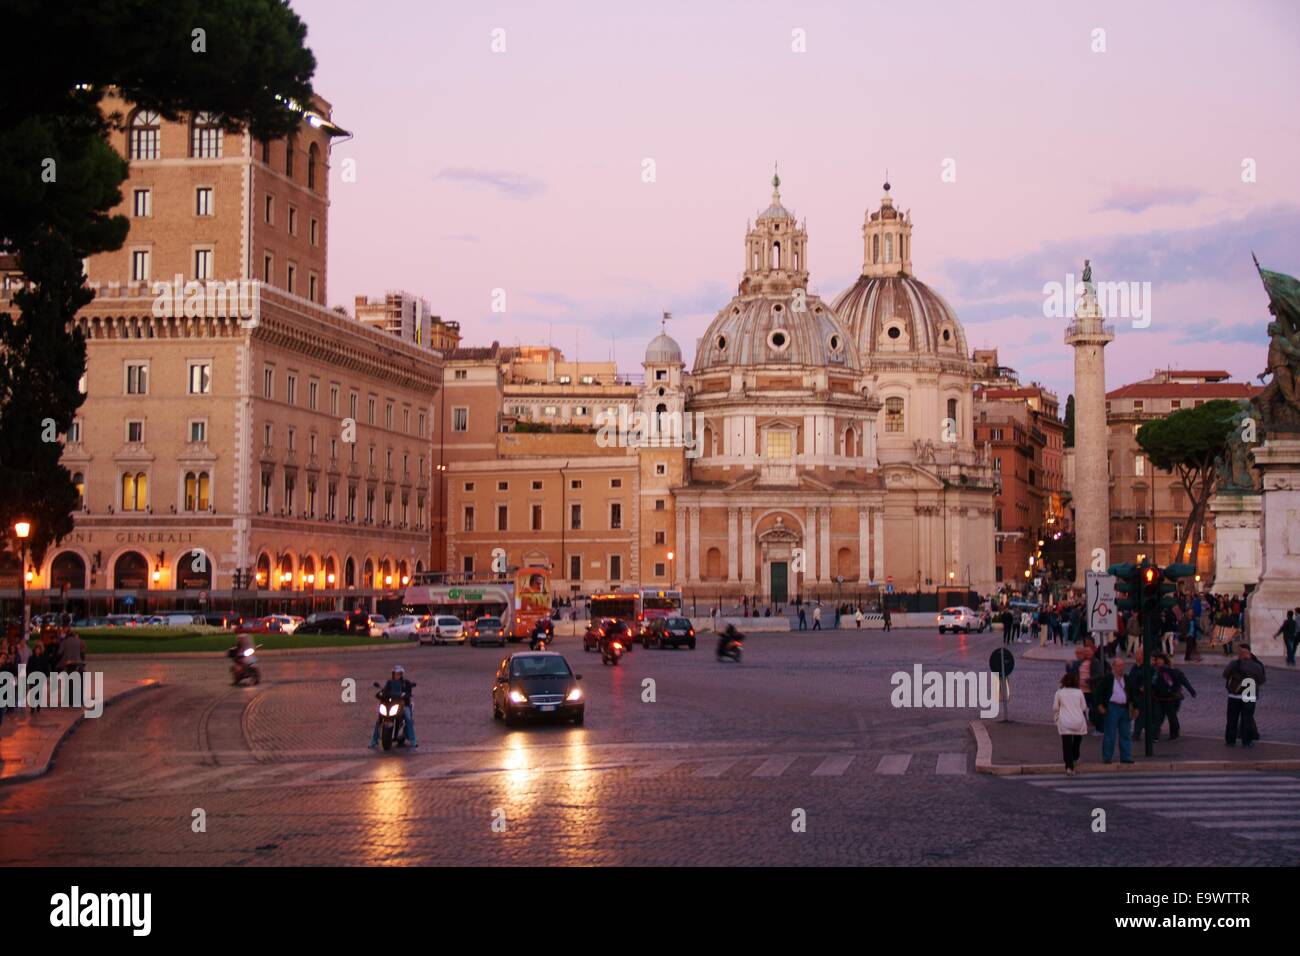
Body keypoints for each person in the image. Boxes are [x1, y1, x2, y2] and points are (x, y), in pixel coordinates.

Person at [1094, 658, 1142, 764]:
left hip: (1124, 708)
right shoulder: (1107, 679)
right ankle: (1107, 757)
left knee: (1126, 734)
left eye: (1122, 665)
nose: (1121, 668)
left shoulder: (1127, 679)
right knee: (1110, 734)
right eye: (1119, 666)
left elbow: (1134, 693)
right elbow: (1099, 692)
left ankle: (1126, 757)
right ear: (1114, 667)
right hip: (1112, 707)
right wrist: (1100, 705)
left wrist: (1136, 707)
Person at [1224, 643, 1266, 747]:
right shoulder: (1257, 666)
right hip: (1250, 695)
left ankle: (1230, 741)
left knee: (1232, 719)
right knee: (1247, 719)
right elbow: (1261, 680)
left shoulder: (1234, 664)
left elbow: (1225, 674)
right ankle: (1246, 741)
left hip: (1234, 695)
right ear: (1250, 654)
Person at [1151, 654, 1196, 741]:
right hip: (1159, 698)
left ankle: (1174, 734)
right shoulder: (1155, 671)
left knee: (1171, 716)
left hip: (1170, 698)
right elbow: (1152, 684)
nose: (1159, 662)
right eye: (1158, 660)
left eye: (1160, 660)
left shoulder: (1171, 671)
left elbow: (1183, 680)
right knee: (1158, 717)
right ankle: (1155, 736)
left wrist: (1191, 691)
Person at [370, 665, 417, 748]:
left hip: (404, 705)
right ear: (393, 674)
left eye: (399, 674)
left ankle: (413, 741)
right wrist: (380, 694)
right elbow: (384, 691)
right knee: (379, 721)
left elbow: (409, 693)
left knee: (408, 719)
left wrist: (406, 695)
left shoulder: (405, 683)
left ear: (401, 674)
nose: (397, 675)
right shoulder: (389, 683)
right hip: (390, 705)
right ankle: (373, 741)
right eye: (396, 673)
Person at [1054, 670, 1089, 775]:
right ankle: (1075, 756)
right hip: (1078, 721)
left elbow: (1055, 707)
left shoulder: (1059, 693)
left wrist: (1057, 717)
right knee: (1077, 741)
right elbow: (1083, 707)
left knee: (1066, 744)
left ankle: (1069, 766)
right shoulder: (1079, 692)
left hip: (1065, 721)